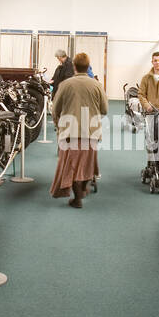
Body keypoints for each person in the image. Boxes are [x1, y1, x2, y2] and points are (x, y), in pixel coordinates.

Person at [49, 52, 108, 208]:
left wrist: (58, 124)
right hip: (91, 131)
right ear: (88, 67)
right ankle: (81, 191)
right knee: (88, 164)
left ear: (74, 66)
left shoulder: (65, 85)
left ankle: (78, 199)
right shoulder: (97, 85)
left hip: (69, 132)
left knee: (71, 165)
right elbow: (105, 109)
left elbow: (55, 109)